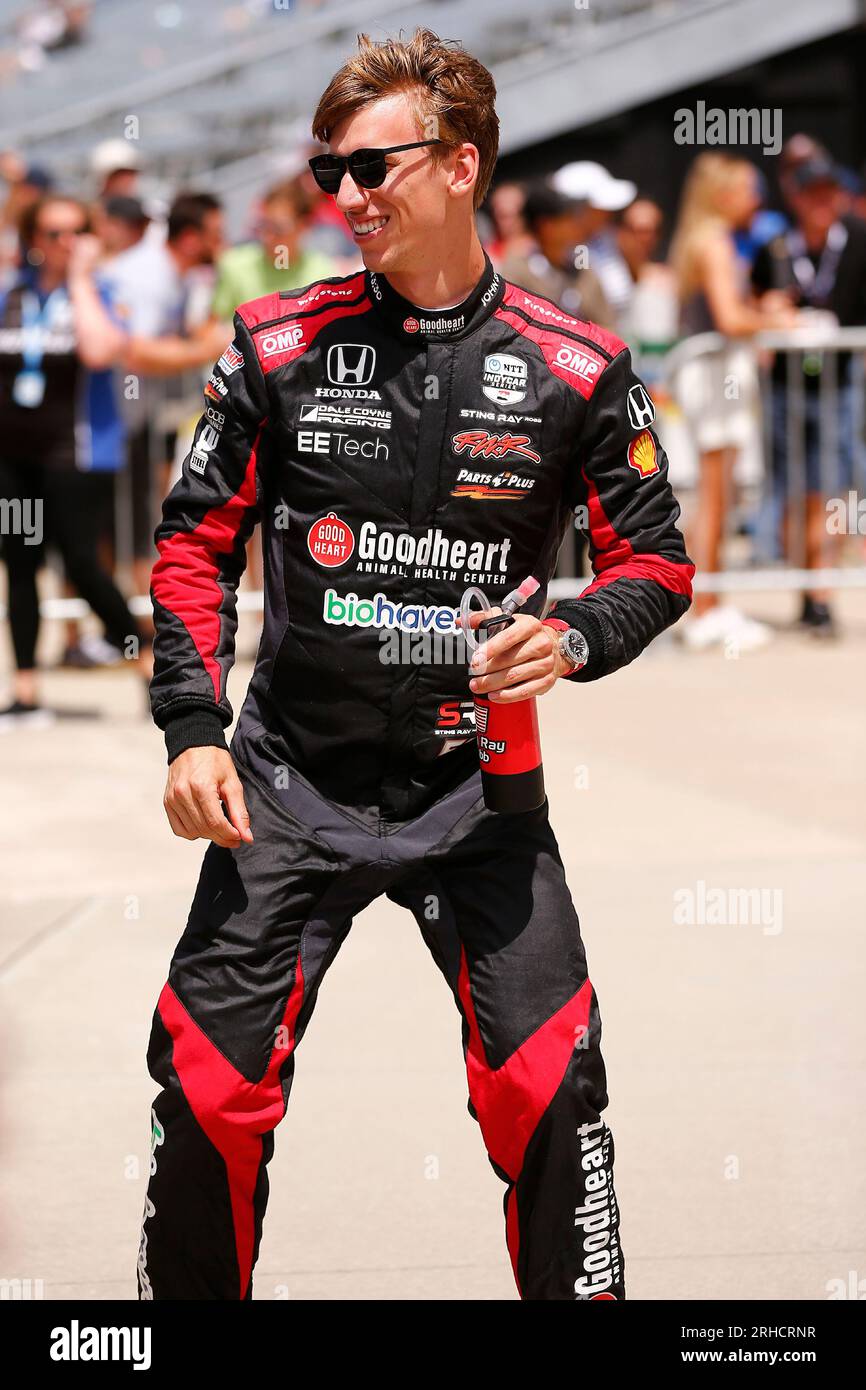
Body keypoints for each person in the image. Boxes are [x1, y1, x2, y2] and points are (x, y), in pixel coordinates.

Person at [137, 27, 693, 1302]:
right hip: (286, 780)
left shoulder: (577, 365)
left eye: (373, 167)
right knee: (207, 1090)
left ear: (460, 163)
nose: (347, 197)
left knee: (551, 1090)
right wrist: (190, 728)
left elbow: (654, 565)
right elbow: (190, 545)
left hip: (479, 795)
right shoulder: (276, 346)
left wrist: (571, 634)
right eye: (330, 171)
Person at [0, 195, 145, 724]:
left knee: (84, 566)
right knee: (19, 564)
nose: (64, 244)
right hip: (16, 458)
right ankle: (25, 688)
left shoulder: (101, 291)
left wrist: (81, 278)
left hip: (78, 454)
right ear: (33, 240)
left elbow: (100, 352)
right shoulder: (11, 296)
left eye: (75, 232)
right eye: (52, 234)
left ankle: (146, 659)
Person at [669, 153, 797, 651]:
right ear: (724, 196)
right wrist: (780, 321)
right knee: (716, 496)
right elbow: (729, 319)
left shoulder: (702, 240)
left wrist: (760, 312)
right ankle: (706, 608)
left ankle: (711, 604)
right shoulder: (714, 241)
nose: (756, 200)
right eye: (747, 189)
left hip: (713, 371)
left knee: (717, 494)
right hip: (714, 371)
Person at [751, 154, 866, 635]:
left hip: (840, 384)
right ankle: (805, 587)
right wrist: (771, 312)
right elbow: (754, 301)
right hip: (787, 387)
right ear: (796, 198)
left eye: (828, 192)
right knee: (794, 492)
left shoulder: (858, 241)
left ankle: (820, 594)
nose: (821, 202)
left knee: (830, 490)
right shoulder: (776, 247)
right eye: (811, 192)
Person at [212, 178, 335, 320]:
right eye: (264, 225)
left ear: (304, 226)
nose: (268, 237)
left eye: (278, 229)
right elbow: (208, 329)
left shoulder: (321, 271)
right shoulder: (234, 265)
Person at [500, 183, 615, 327]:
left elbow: (608, 329)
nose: (576, 223)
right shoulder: (517, 271)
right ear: (547, 226)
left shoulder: (581, 267)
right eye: (568, 218)